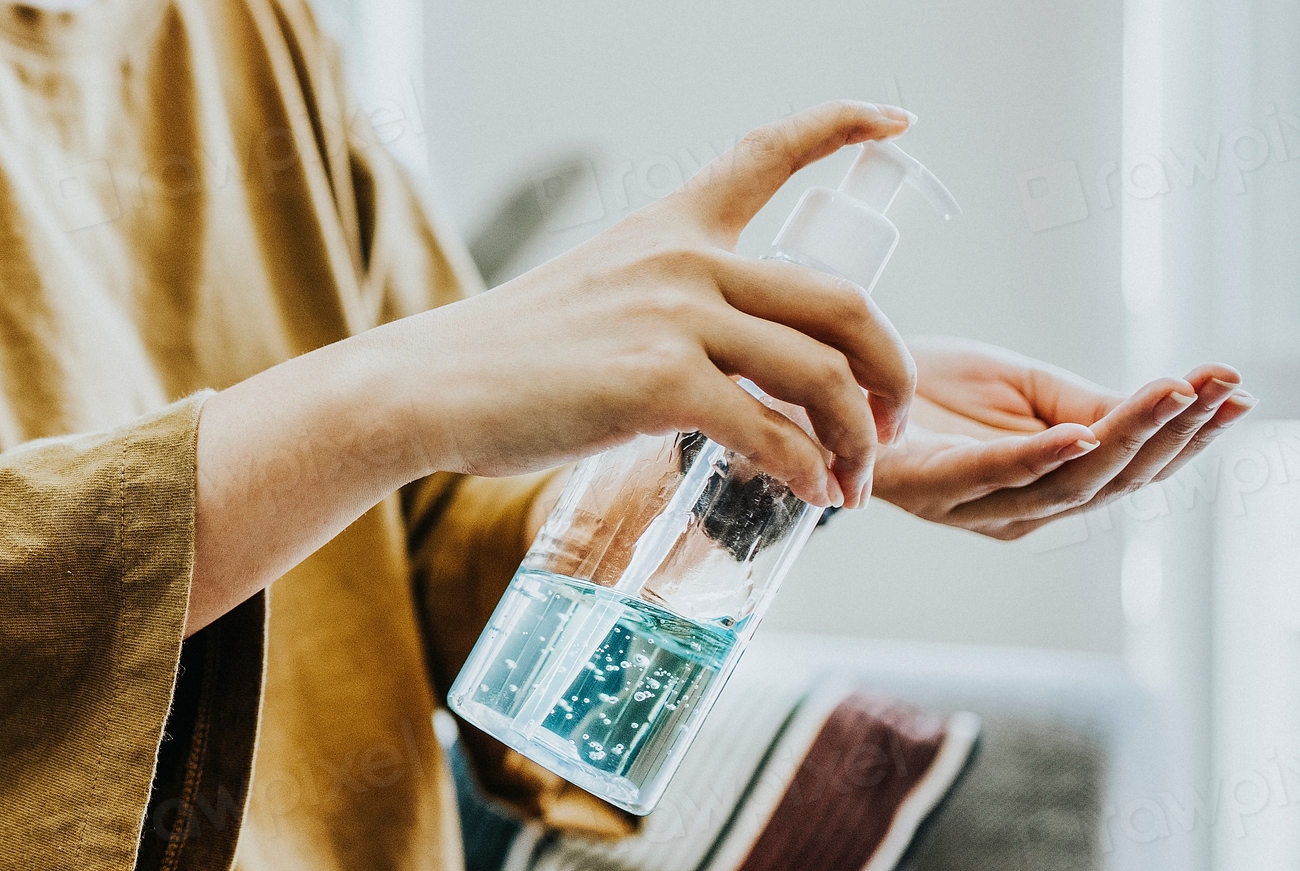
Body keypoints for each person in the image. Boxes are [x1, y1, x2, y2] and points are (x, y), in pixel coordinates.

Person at [0, 0, 1254, 869]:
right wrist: (385, 396)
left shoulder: (235, 30)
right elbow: (399, 406)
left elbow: (416, 533)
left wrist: (738, 443)